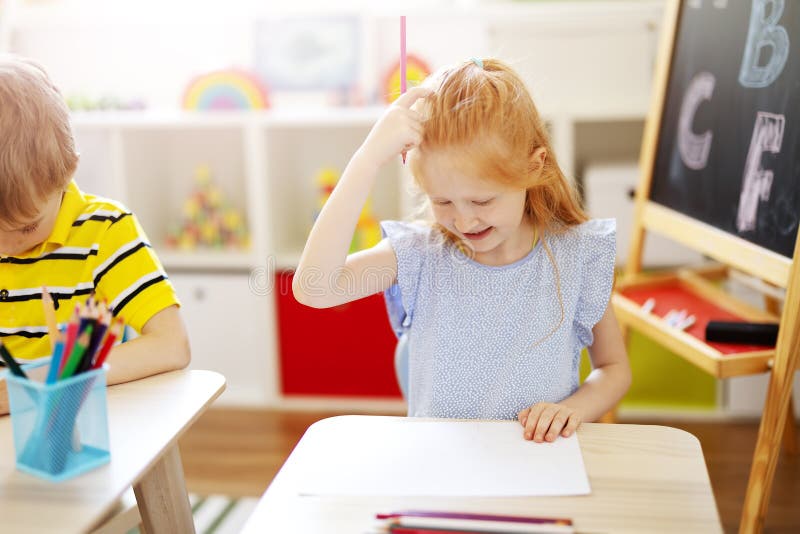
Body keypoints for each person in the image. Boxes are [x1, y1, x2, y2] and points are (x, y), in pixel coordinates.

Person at [293, 57, 630, 442]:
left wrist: (573, 409)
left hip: (538, 462)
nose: (465, 222)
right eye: (443, 202)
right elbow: (315, 289)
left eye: (483, 201)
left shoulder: (578, 255)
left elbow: (614, 367)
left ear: (534, 167)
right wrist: (367, 159)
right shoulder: (420, 253)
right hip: (440, 468)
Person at [0, 54, 190, 414]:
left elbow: (172, 344)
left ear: (67, 171)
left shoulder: (104, 230)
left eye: (26, 227)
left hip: (87, 425)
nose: (7, 248)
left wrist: (37, 382)